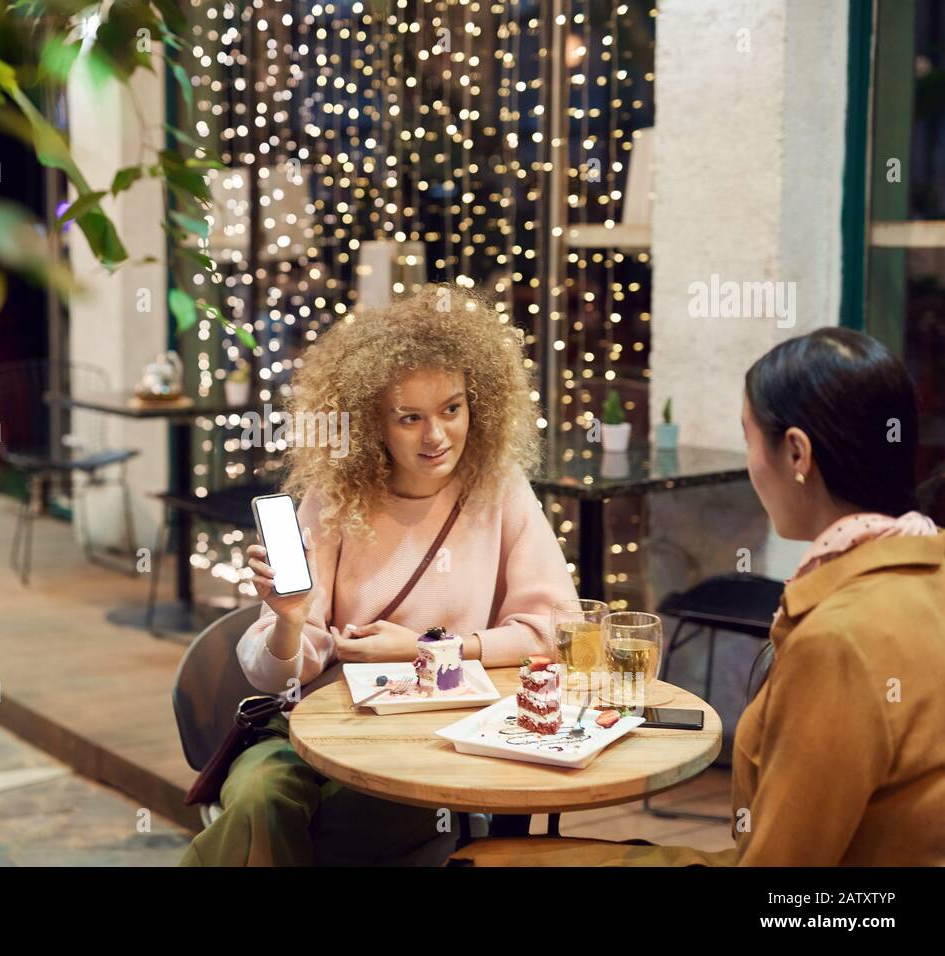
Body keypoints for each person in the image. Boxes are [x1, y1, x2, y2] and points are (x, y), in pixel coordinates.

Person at [451, 327, 945, 867]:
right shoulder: (922, 574)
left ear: (796, 452)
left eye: (748, 439)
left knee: (486, 861)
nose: (751, 463)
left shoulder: (839, 639)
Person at [180, 285, 578, 866]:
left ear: (478, 405)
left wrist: (425, 650)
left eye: (451, 409)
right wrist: (289, 622)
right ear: (374, 424)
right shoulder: (336, 496)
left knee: (334, 821)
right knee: (261, 796)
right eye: (410, 418)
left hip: (430, 740)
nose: (436, 436)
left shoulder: (500, 491)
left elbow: (554, 632)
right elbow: (272, 677)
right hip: (311, 728)